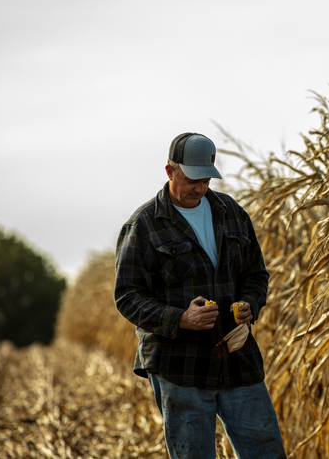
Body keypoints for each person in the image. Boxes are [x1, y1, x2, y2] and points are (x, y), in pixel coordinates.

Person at [114, 132, 286, 459]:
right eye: (192, 179)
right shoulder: (144, 225)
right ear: (170, 171)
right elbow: (127, 296)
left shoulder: (231, 213)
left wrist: (249, 303)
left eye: (206, 179)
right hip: (180, 368)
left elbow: (256, 274)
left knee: (267, 452)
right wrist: (181, 318)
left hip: (237, 359)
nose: (200, 187)